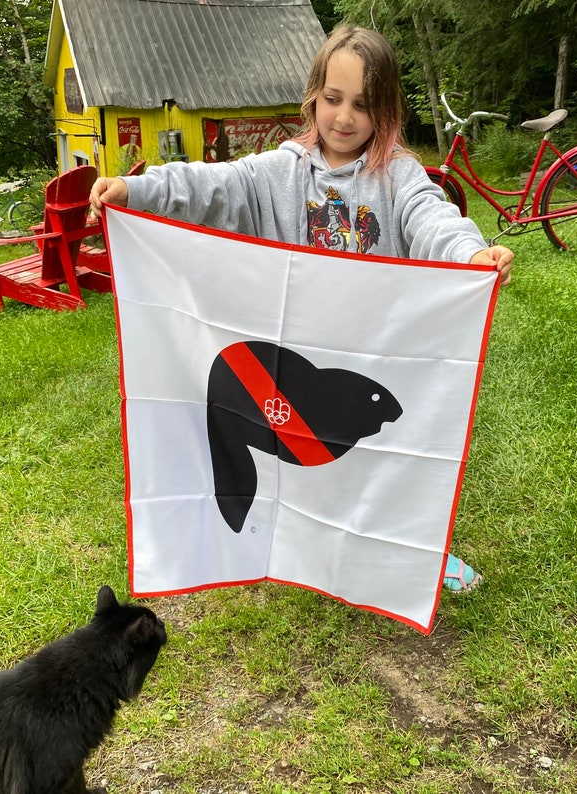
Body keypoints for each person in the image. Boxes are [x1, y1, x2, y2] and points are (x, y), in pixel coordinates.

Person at [90, 25, 513, 593]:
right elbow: (214, 186)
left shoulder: (400, 176)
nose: (343, 117)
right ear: (313, 97)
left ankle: (421, 554)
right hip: (295, 357)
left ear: (385, 111)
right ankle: (297, 542)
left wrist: (470, 255)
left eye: (362, 105)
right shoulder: (277, 172)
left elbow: (430, 217)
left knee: (391, 460)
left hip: (372, 351)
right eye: (333, 99)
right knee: (306, 458)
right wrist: (137, 191)